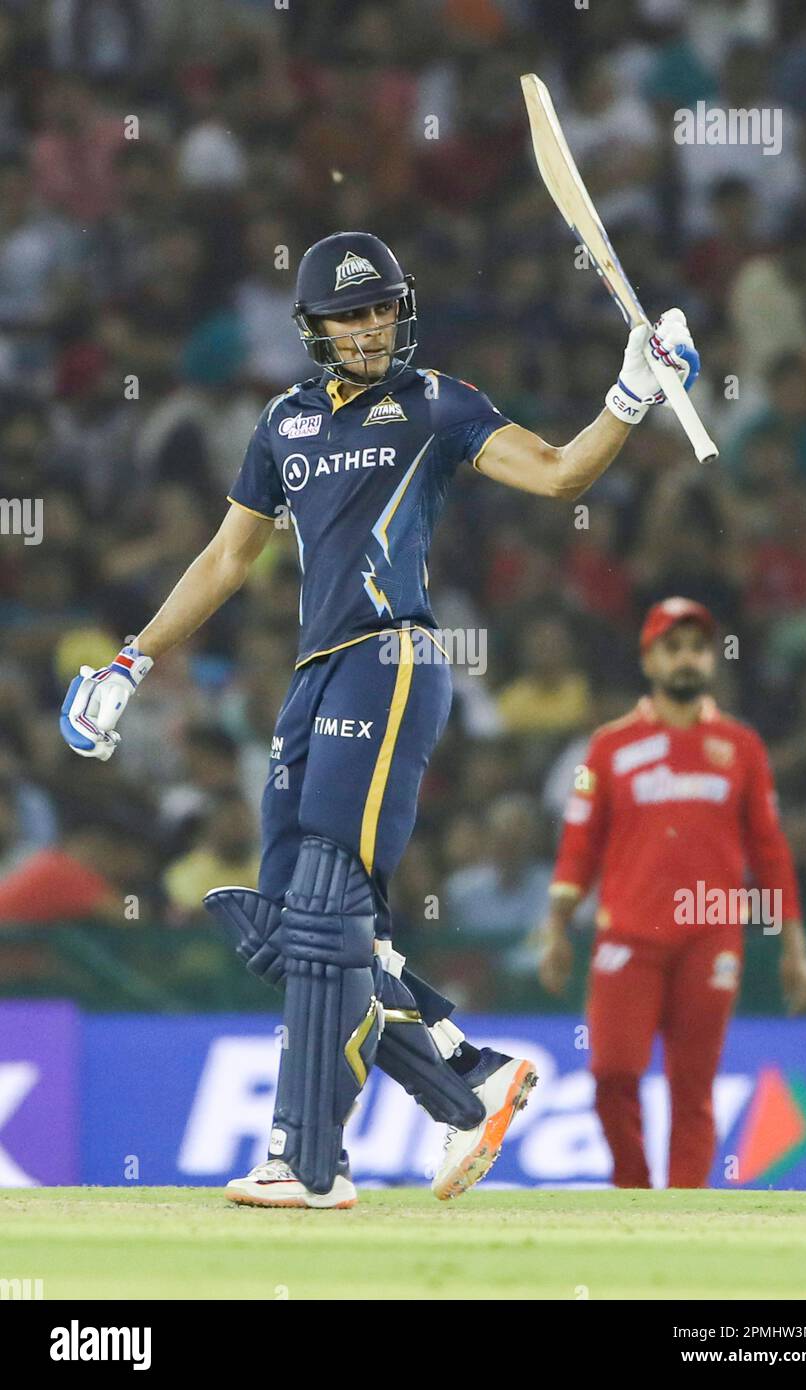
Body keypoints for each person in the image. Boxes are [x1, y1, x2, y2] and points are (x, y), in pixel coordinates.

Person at [60, 231, 701, 1209]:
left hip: (390, 660)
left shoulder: (435, 403)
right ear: (313, 329)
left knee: (320, 910)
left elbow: (560, 474)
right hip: (311, 681)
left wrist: (627, 395)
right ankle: (467, 1081)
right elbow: (229, 559)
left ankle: (307, 1159)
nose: (368, 329)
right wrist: (130, 657)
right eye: (346, 316)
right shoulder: (283, 422)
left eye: (379, 309)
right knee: (284, 920)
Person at [538, 597, 806, 1188]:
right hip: (629, 936)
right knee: (613, 1072)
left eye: (696, 648)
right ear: (649, 659)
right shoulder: (607, 748)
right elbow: (579, 845)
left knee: (694, 1084)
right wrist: (556, 928)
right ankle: (634, 1194)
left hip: (710, 935)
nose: (686, 659)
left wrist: (795, 945)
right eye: (673, 648)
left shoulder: (742, 747)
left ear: (710, 660)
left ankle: (684, 1207)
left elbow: (770, 849)